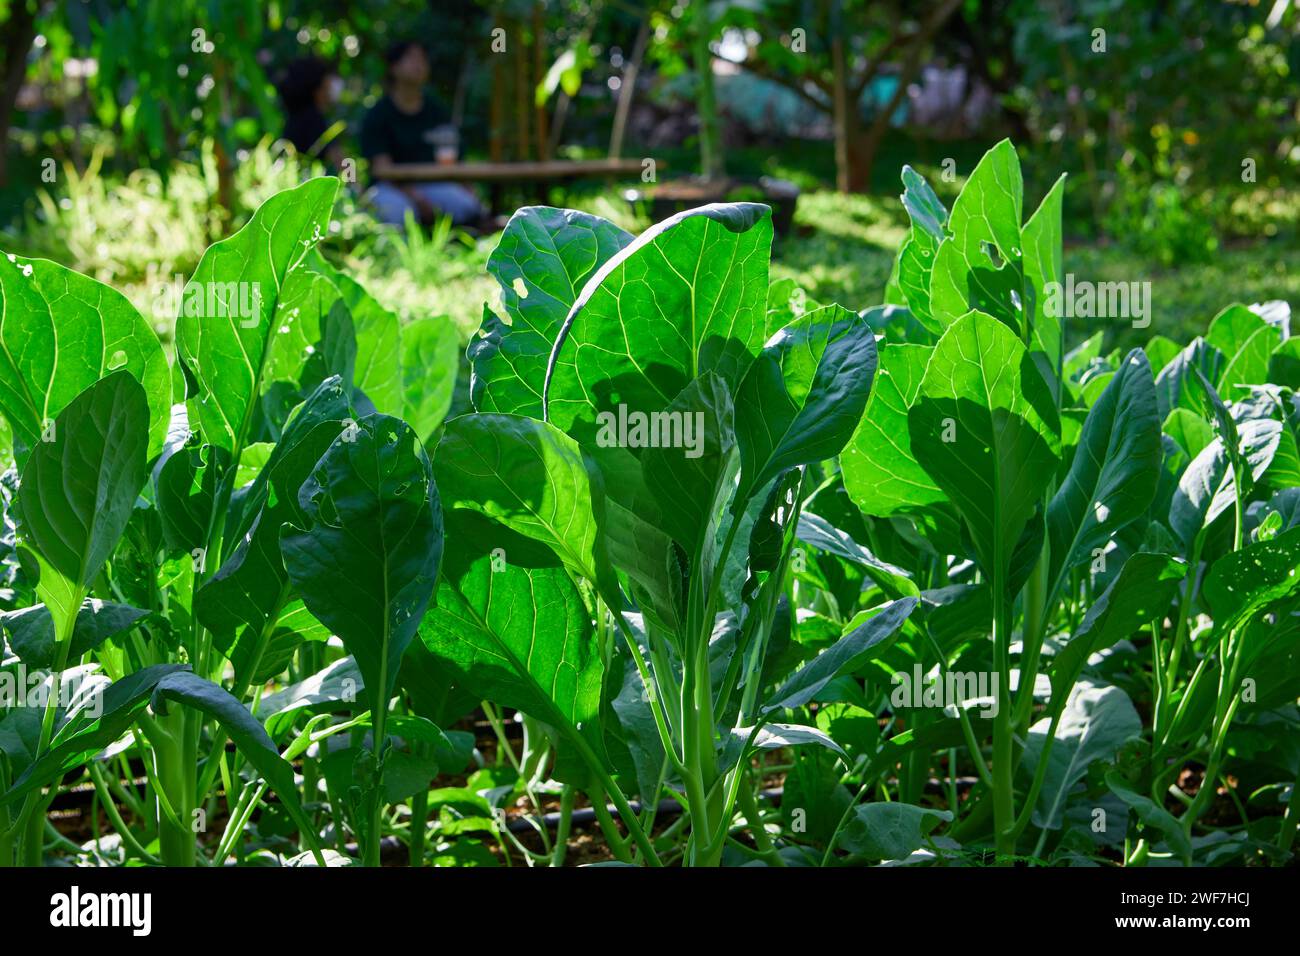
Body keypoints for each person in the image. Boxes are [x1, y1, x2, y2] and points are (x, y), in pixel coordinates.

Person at [360, 40, 485, 227]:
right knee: (396, 213)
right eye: (411, 58)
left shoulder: (436, 110)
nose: (418, 64)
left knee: (467, 207)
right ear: (394, 67)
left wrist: (469, 190)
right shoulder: (379, 114)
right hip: (391, 187)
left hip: (434, 184)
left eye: (422, 59)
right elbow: (382, 169)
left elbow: (455, 158)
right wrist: (417, 198)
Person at [275, 57, 345, 168]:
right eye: (327, 85)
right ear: (317, 90)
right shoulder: (316, 121)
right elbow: (342, 162)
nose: (331, 87)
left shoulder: (293, 119)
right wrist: (356, 182)